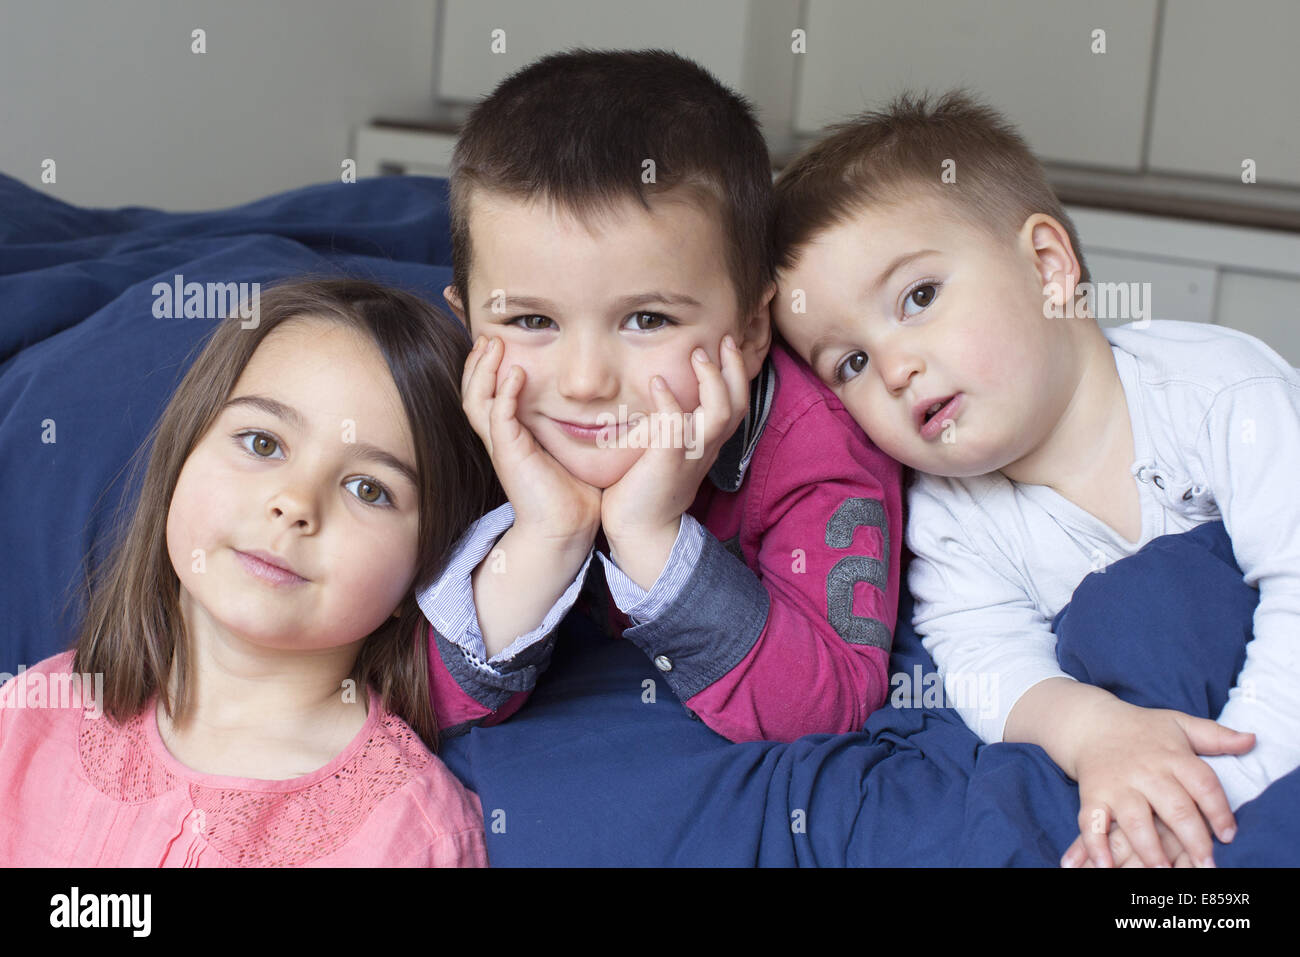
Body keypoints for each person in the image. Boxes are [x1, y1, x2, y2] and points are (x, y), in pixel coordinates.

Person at [770, 90, 1300, 868]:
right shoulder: (948, 516)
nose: (893, 367)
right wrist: (1093, 730)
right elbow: (987, 659)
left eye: (918, 297)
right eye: (849, 362)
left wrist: (1231, 780)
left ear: (1048, 267)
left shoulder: (1220, 392)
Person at [418, 49, 904, 744]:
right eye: (532, 320)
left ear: (753, 327)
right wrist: (547, 534)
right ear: (467, 325)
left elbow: (823, 708)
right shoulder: (483, 398)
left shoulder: (815, 441)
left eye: (647, 320)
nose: (585, 383)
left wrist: (653, 534)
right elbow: (412, 696)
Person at [0, 279, 498, 866]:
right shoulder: (31, 715)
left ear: (430, 566)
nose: (295, 502)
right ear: (181, 457)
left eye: (369, 489)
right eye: (263, 443)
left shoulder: (411, 835)